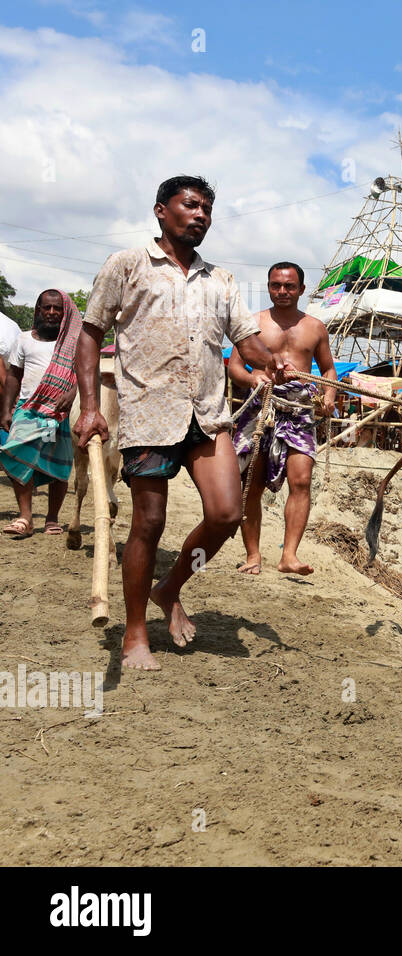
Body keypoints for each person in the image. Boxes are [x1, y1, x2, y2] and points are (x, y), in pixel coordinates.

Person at [75, 175, 291, 671]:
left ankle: (169, 588)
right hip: (149, 413)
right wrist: (90, 407)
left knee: (225, 514)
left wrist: (271, 361)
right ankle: (134, 634)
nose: (200, 216)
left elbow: (247, 340)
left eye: (207, 210)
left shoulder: (222, 280)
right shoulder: (128, 265)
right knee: (147, 524)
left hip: (208, 414)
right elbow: (89, 335)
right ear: (160, 210)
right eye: (190, 206)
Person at [228, 261, 336, 575]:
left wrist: (328, 397)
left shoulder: (315, 327)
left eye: (289, 286)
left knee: (301, 480)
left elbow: (328, 369)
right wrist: (252, 381)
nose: (282, 291)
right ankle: (253, 555)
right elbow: (236, 367)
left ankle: (289, 556)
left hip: (300, 409)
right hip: (260, 407)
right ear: (269, 286)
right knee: (252, 481)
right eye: (276, 285)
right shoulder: (253, 323)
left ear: (302, 289)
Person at [0, 290, 80, 537]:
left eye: (57, 309)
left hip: (55, 416)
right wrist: (5, 408)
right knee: (15, 453)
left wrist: (73, 391)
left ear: (64, 312)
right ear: (38, 310)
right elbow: (14, 375)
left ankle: (52, 518)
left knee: (54, 465)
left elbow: (85, 373)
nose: (52, 313)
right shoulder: (23, 339)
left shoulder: (72, 342)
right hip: (28, 409)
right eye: (47, 308)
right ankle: (25, 517)